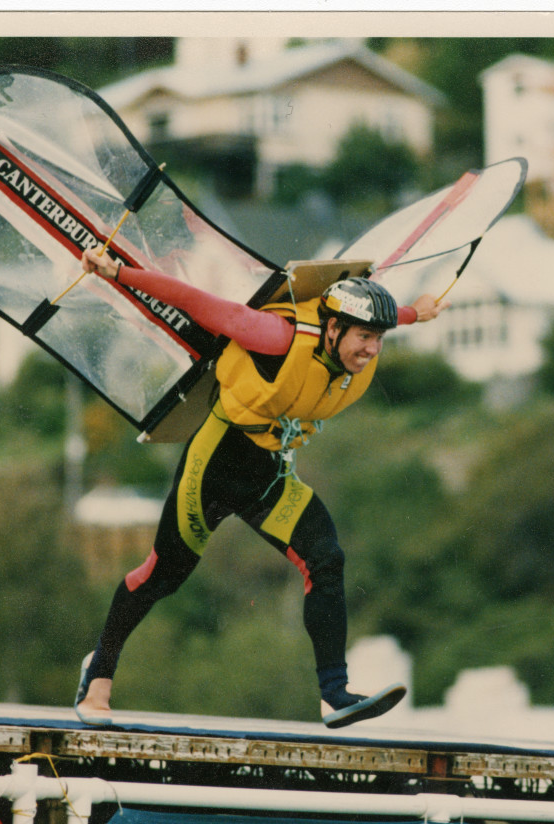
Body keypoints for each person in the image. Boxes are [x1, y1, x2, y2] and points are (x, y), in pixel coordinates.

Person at [74, 246, 449, 728]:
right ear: (333, 329)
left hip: (267, 474)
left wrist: (417, 311)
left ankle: (334, 694)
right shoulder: (277, 337)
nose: (372, 350)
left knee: (326, 558)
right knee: (162, 575)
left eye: (379, 339)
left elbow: (387, 316)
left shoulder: (356, 339)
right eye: (364, 338)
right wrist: (118, 272)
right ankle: (98, 673)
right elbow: (194, 301)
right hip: (214, 465)